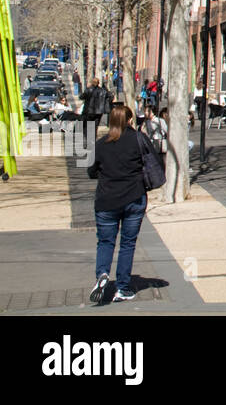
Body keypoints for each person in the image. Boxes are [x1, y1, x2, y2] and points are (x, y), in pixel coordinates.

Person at [87, 105, 147, 304]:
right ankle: (122, 287)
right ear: (130, 120)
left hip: (106, 200)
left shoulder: (100, 144)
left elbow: (91, 171)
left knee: (105, 241)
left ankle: (102, 274)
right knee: (127, 244)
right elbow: (152, 162)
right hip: (134, 197)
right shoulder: (138, 139)